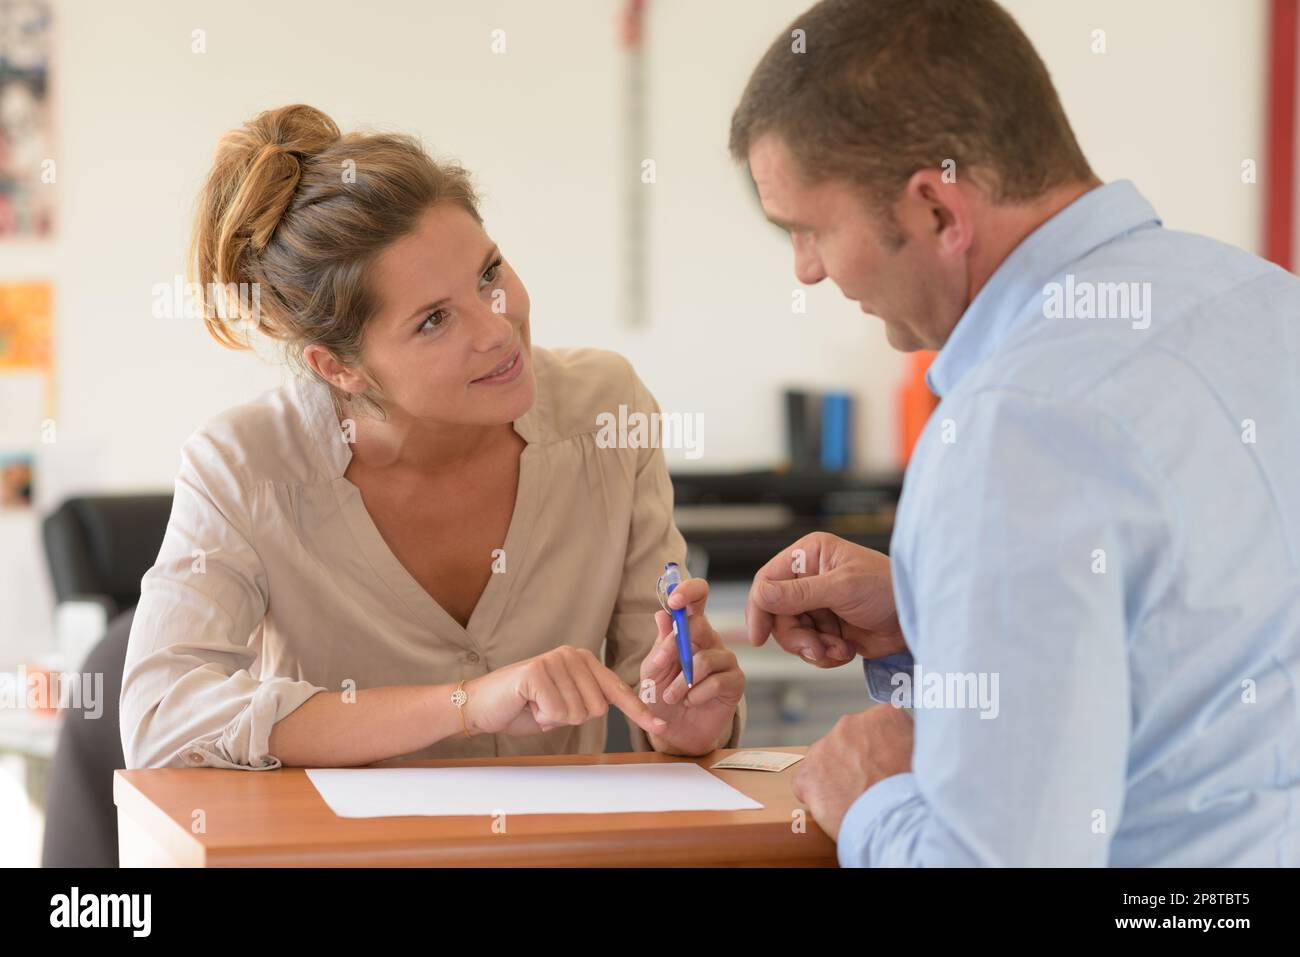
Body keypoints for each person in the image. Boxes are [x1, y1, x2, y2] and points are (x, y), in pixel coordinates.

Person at [732, 0, 1300, 865]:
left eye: (809, 229)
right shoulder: (1261, 301)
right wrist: (935, 613)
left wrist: (873, 798)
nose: (807, 269)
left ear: (935, 210)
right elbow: (1206, 670)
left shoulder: (1012, 430)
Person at [120, 104, 745, 770]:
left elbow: (659, 688)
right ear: (341, 368)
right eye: (433, 321)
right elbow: (162, 720)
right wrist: (467, 703)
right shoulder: (244, 466)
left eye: (489, 274)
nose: (497, 330)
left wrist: (687, 715)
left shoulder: (605, 412)